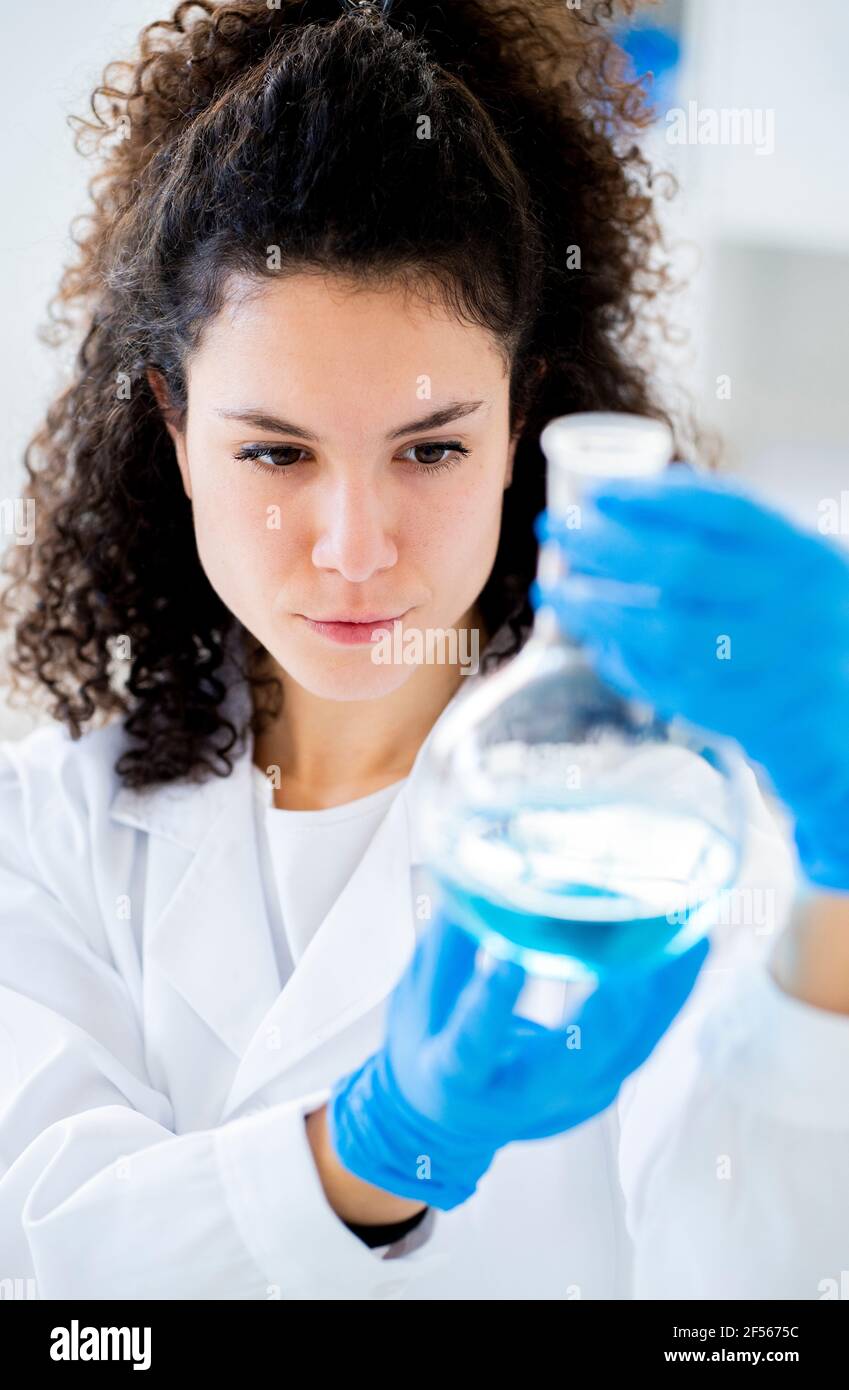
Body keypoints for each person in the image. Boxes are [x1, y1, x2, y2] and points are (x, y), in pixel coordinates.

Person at [0, 0, 847, 1301]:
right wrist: (375, 1146)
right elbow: (52, 1275)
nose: (354, 548)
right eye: (275, 451)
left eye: (432, 447)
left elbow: (755, 1295)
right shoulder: (50, 823)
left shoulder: (669, 821)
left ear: (517, 423)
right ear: (174, 427)